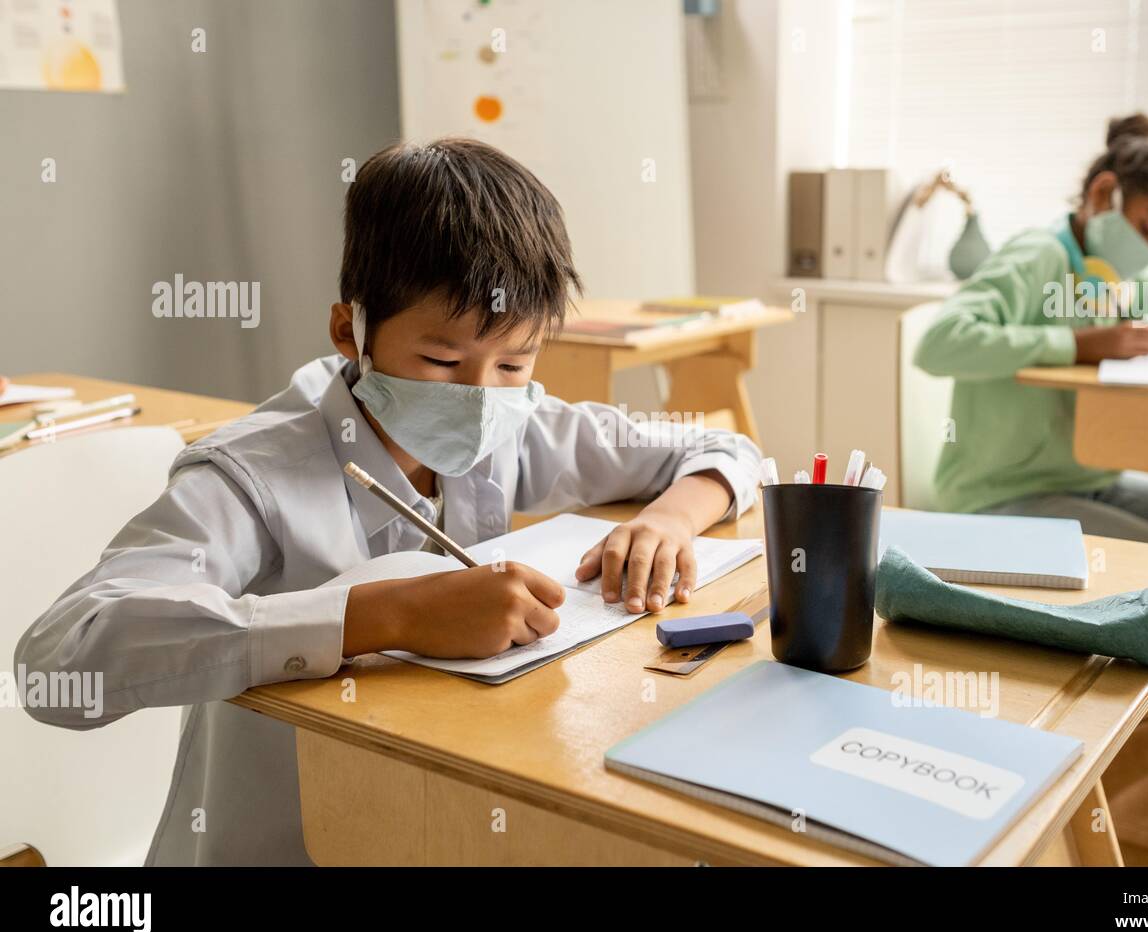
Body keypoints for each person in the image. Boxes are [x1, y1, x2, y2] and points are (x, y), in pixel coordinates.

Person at [15, 139, 760, 865]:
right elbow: (61, 658)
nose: (478, 397)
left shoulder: (511, 422)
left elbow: (726, 453)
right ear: (351, 330)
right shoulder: (258, 473)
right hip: (279, 842)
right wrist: (389, 615)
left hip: (442, 819)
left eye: (514, 361)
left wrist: (669, 518)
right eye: (440, 360)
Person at [914, 113, 1148, 545]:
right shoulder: (1038, 256)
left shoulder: (1119, 277)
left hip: (1084, 477)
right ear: (1104, 192)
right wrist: (1073, 346)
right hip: (999, 493)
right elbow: (940, 343)